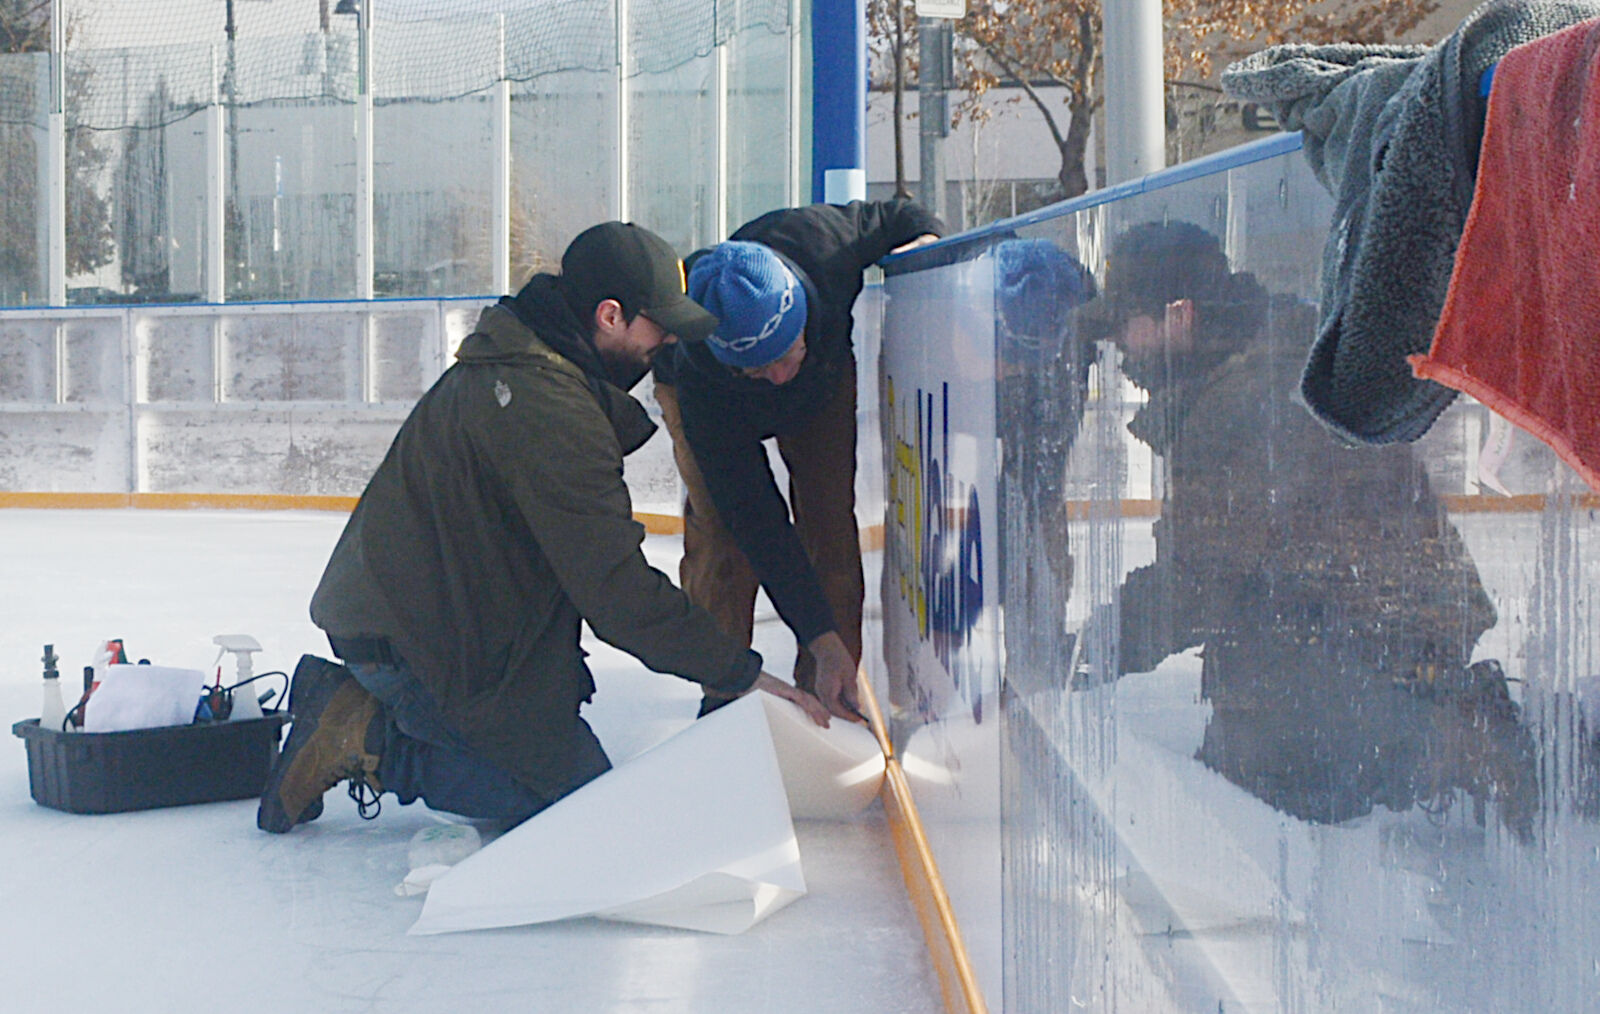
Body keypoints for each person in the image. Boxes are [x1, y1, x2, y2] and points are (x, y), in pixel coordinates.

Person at [257, 221, 830, 834]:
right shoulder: (549, 410)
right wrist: (742, 676)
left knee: (570, 781)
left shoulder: (534, 361)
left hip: (451, 623)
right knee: (566, 812)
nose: (664, 343)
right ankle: (362, 731)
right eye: (656, 325)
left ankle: (383, 711)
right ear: (609, 316)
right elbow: (617, 593)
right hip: (409, 640)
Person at [1089, 220, 1536, 838]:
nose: (1118, 344)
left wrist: (1083, 656)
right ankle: (1442, 729)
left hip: (1377, 638)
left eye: (1126, 323)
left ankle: (1450, 739)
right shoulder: (1272, 356)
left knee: (1251, 782)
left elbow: (1193, 587)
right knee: (1243, 724)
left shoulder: (1239, 404)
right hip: (1386, 621)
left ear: (1180, 317)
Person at [651, 199, 943, 723]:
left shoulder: (823, 242)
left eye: (786, 354)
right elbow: (758, 519)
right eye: (759, 369)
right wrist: (754, 372)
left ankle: (833, 687)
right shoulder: (698, 372)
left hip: (824, 385)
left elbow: (903, 217)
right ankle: (723, 694)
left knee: (829, 518)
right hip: (714, 402)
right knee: (723, 536)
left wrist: (926, 246)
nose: (779, 377)